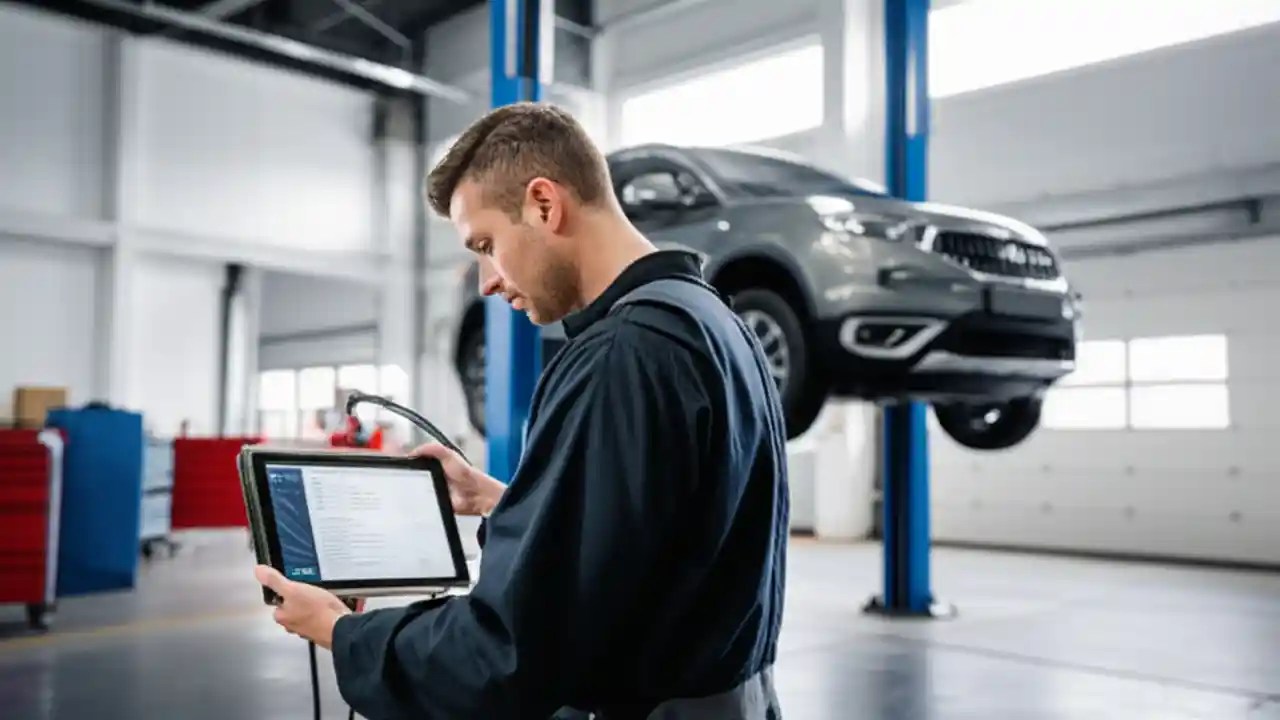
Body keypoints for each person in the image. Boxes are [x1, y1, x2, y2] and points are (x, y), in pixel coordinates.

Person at [253, 102, 790, 719]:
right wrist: (500, 500)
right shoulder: (713, 323)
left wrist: (341, 634)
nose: (485, 281)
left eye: (485, 245)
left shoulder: (622, 354)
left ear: (543, 203)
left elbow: (511, 651)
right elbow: (664, 542)